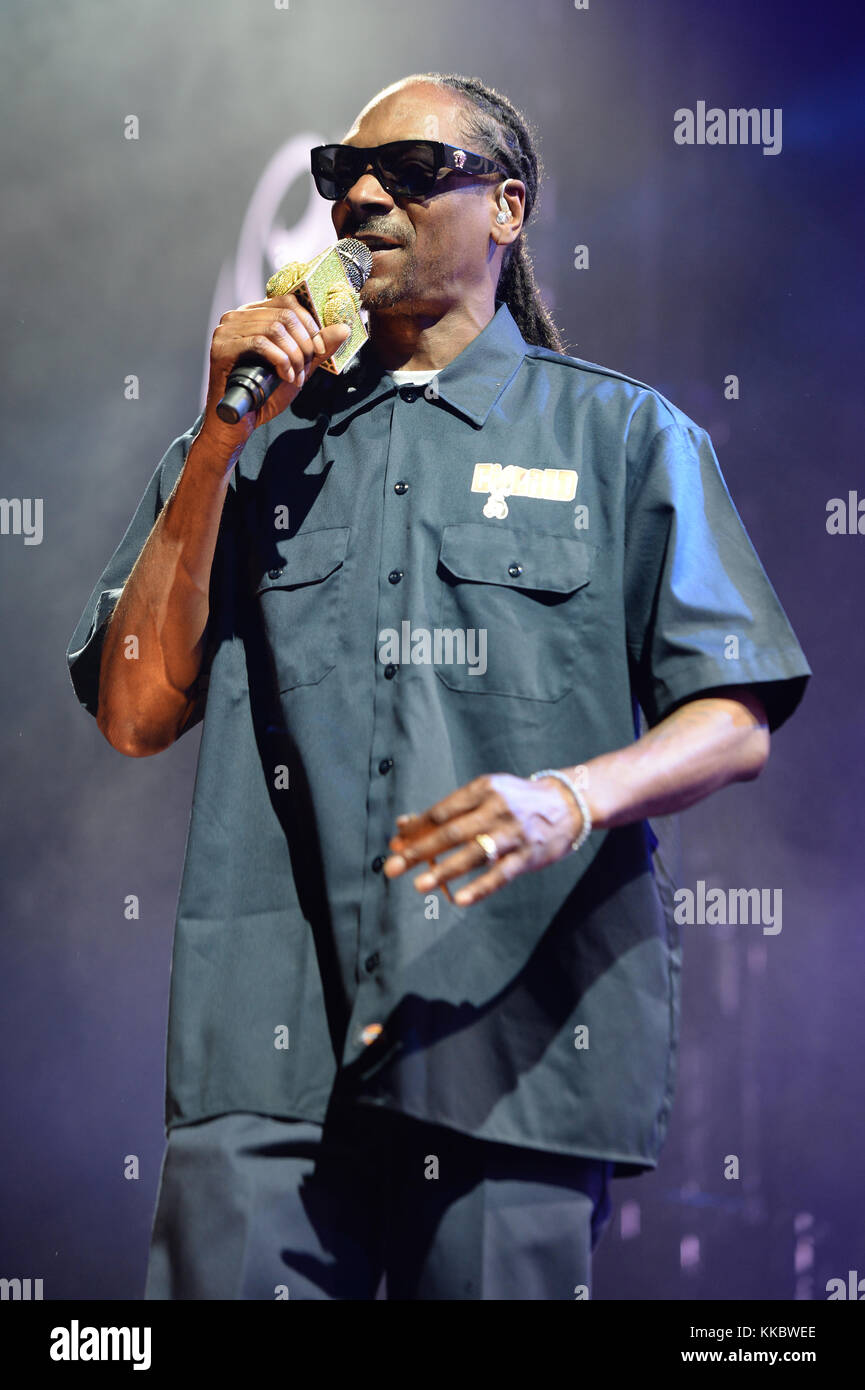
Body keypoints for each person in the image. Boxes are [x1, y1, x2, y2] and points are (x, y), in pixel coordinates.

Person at [67, 72, 811, 1301]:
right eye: (337, 174)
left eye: (410, 172)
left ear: (505, 209)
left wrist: (564, 800)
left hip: (511, 1047)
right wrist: (212, 442)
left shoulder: (622, 439)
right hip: (265, 1075)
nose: (361, 193)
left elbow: (730, 718)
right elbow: (137, 713)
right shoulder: (251, 450)